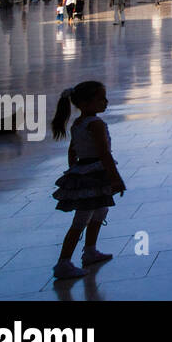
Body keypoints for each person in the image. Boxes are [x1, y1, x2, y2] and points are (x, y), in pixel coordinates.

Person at [50, 81, 126, 279]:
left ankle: (90, 250)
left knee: (100, 210)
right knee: (82, 218)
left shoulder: (78, 123)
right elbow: (104, 153)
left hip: (85, 170)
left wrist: (74, 169)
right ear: (85, 103)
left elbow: (72, 150)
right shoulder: (96, 124)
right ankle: (63, 262)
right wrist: (116, 178)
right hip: (95, 173)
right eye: (100, 99)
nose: (105, 102)